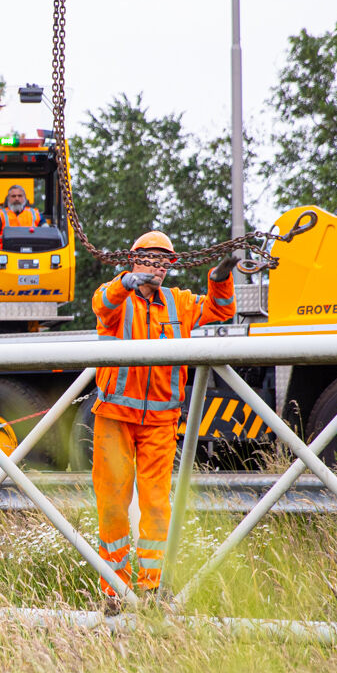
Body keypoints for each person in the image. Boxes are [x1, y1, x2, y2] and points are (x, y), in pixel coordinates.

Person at [91, 230, 237, 611]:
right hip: (114, 418)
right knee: (112, 504)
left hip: (160, 420)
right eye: (149, 258)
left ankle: (152, 588)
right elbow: (102, 303)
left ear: (172, 265)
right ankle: (114, 590)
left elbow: (221, 310)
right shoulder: (117, 298)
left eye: (163, 260)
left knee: (157, 504)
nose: (156, 266)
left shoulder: (180, 303)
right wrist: (124, 283)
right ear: (133, 259)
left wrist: (220, 279)